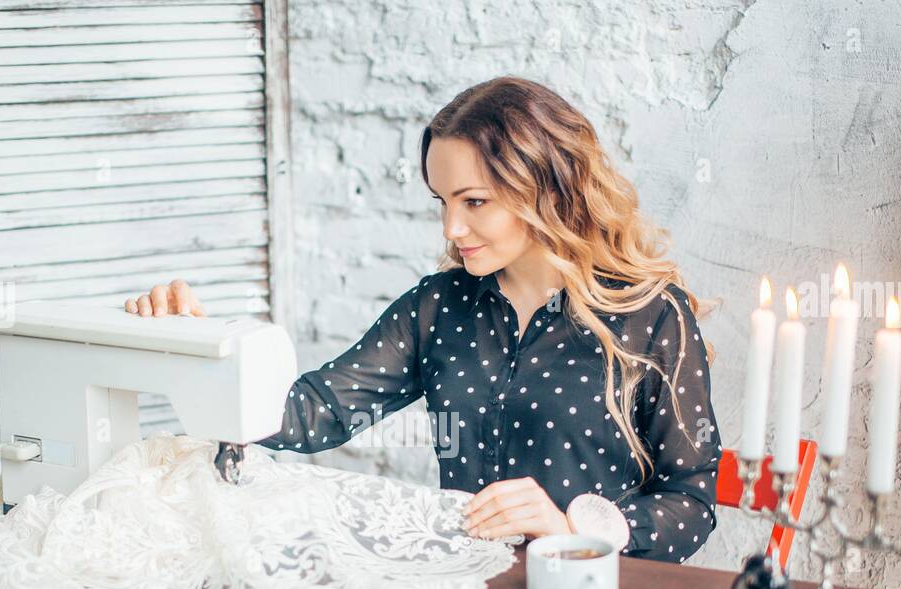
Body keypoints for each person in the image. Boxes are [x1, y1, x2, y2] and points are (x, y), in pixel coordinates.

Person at [125, 76, 722, 563]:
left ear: (546, 189)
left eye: (475, 202)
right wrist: (201, 347)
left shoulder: (651, 317)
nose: (451, 229)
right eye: (443, 201)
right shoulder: (440, 307)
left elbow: (693, 501)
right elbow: (315, 412)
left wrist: (572, 525)